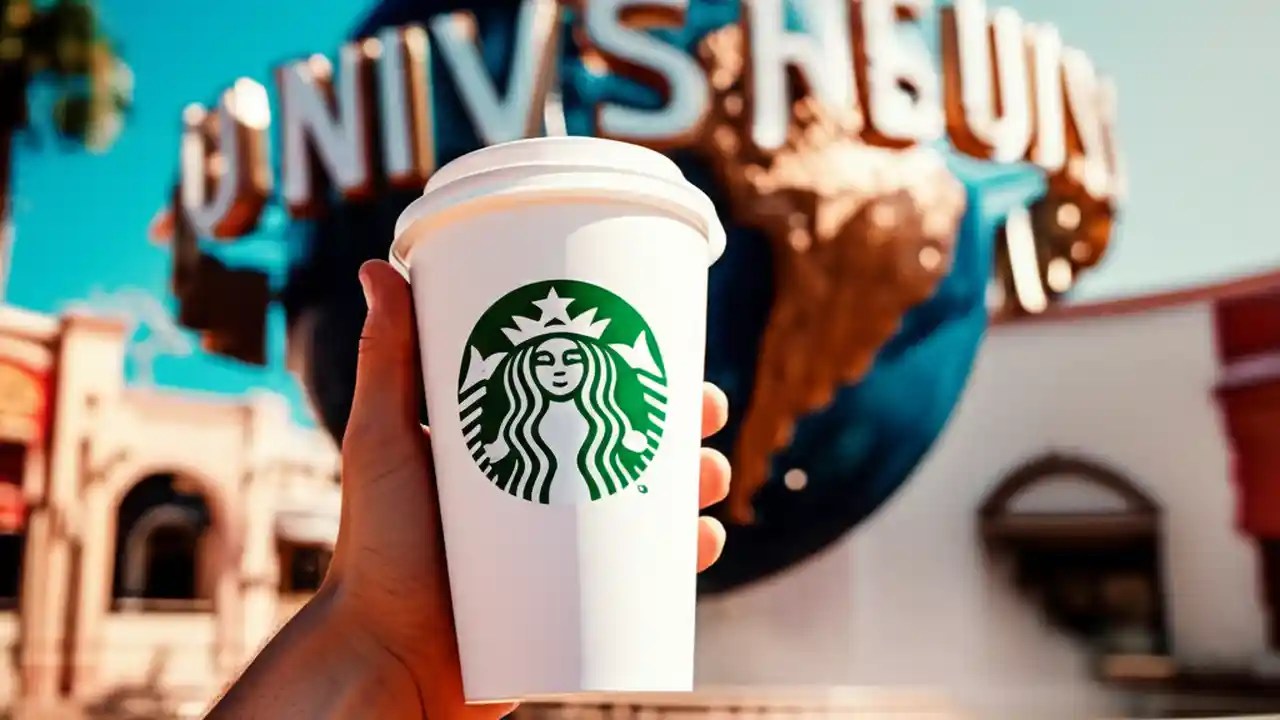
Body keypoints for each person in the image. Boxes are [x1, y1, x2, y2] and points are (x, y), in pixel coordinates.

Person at [205, 260, 733, 719]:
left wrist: (373, 652)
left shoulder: (611, 431)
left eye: (571, 358)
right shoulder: (515, 439)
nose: (558, 370)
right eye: (543, 359)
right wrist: (375, 642)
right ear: (521, 369)